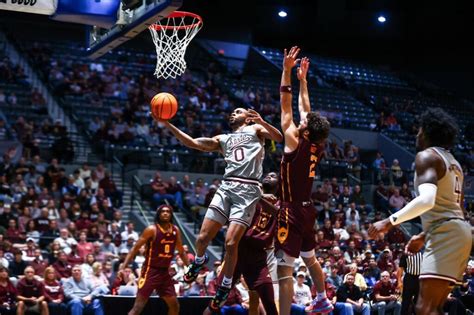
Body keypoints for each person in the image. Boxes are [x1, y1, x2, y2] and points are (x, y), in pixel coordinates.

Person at [155, 106, 282, 311]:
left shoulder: (256, 129)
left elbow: (278, 137)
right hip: (226, 186)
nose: (233, 113)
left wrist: (263, 121)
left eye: (238, 111)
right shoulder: (222, 139)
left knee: (231, 243)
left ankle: (225, 285)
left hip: (248, 189)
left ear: (247, 118)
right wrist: (168, 124)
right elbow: (194, 143)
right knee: (202, 238)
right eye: (231, 112)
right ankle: (199, 260)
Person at [369, 108, 472, 315]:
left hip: (447, 234)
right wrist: (424, 235)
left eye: (420, 130)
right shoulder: (454, 164)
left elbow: (426, 200)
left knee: (425, 308)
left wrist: (389, 221)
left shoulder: (426, 157)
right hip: (459, 232)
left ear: (427, 132)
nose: (417, 134)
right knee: (433, 308)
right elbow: (455, 210)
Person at [276, 46, 332, 314]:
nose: (300, 122)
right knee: (310, 258)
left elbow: (286, 106)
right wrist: (304, 81)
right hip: (308, 209)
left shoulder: (294, 140)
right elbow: (305, 109)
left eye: (304, 123)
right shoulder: (316, 145)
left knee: (284, 268)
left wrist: (287, 71)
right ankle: (321, 298)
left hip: (291, 209)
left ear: (306, 131)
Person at [203, 172, 280, 315]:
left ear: (279, 185)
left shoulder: (280, 204)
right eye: (267, 175)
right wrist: (260, 196)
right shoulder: (251, 193)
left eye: (273, 176)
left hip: (258, 257)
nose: (268, 177)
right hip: (237, 253)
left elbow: (278, 213)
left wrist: (260, 198)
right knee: (217, 302)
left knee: (269, 303)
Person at [120, 205, 189, 315]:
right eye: (163, 212)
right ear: (158, 214)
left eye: (168, 211)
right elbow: (135, 248)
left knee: (175, 306)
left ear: (171, 214)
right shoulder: (151, 230)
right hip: (150, 271)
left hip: (165, 273)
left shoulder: (176, 230)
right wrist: (123, 266)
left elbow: (181, 251)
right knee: (138, 308)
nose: (165, 213)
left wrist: (189, 268)